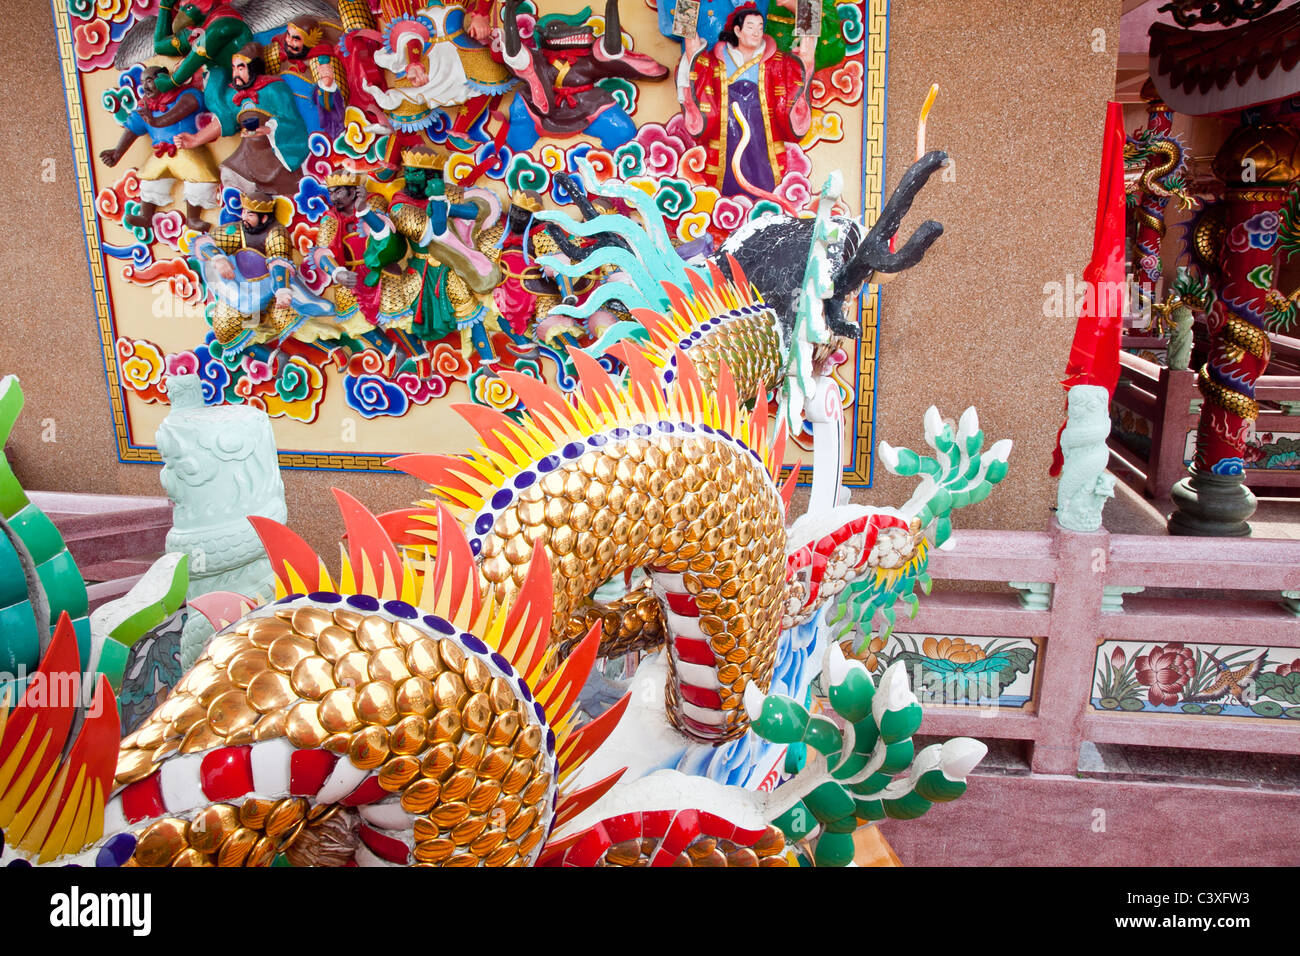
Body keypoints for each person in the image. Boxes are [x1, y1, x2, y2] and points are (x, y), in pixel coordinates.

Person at [678, 3, 815, 197]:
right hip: (728, 132)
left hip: (762, 135)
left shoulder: (776, 61)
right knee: (726, 182)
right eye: (750, 27)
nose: (756, 33)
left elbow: (806, 60)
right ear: (737, 30)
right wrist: (685, 5)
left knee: (765, 180)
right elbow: (692, 53)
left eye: (760, 27)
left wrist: (809, 8)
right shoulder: (717, 59)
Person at [98, 66, 219, 232]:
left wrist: (155, 121)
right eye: (142, 82)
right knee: (149, 182)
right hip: (160, 153)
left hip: (186, 148)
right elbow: (133, 128)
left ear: (162, 78)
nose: (145, 87)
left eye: (149, 80)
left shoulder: (186, 95)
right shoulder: (146, 107)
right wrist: (116, 153)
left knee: (200, 181)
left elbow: (179, 112)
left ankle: (193, 218)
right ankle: (146, 216)